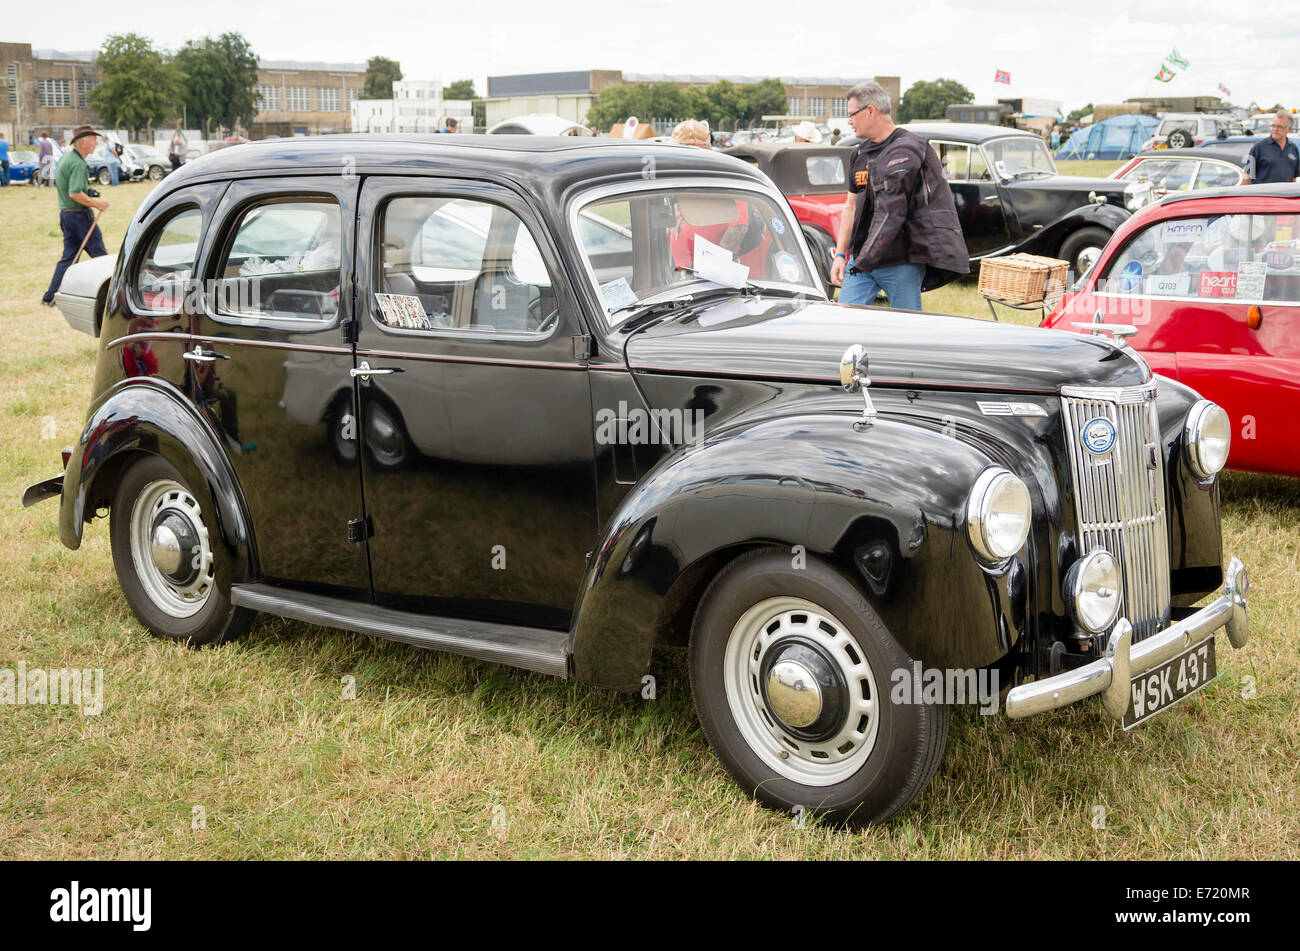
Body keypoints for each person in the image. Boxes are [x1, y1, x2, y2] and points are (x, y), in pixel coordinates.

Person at [829, 81, 968, 311]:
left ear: (870, 110)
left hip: (902, 262)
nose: (849, 122)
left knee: (907, 330)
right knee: (845, 321)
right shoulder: (858, 154)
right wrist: (841, 254)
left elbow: (891, 212)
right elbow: (850, 207)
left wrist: (861, 260)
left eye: (852, 115)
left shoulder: (910, 148)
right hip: (860, 260)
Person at [42, 125, 110, 307]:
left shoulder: (67, 158)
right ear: (84, 142)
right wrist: (98, 204)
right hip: (80, 217)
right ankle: (112, 295)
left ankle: (50, 296)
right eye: (94, 140)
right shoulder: (79, 163)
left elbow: (73, 188)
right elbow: (74, 193)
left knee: (69, 258)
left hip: (67, 215)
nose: (96, 143)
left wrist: (90, 192)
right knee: (101, 256)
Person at [1242, 111, 1299, 184]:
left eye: (1279, 127)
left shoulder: (1293, 148)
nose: (1275, 129)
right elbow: (1247, 177)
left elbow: (1294, 178)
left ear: (1289, 129)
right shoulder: (1258, 147)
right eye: (1273, 126)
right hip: (1264, 194)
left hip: (1285, 194)